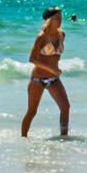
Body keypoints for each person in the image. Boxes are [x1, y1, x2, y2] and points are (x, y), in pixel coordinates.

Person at [21, 7, 69, 138]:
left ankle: (64, 138)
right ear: (49, 20)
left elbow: (56, 56)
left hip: (53, 79)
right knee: (32, 112)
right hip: (38, 79)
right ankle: (23, 140)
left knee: (65, 107)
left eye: (61, 18)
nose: (60, 21)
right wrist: (51, 69)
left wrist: (54, 70)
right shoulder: (41, 37)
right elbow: (32, 58)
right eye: (57, 18)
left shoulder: (61, 35)